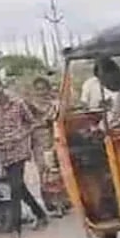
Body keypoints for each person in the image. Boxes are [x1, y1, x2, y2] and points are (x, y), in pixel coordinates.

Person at [0, 73, 49, 238]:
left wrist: (21, 136)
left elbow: (32, 123)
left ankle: (15, 228)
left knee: (14, 188)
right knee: (18, 186)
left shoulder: (18, 103)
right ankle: (40, 214)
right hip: (4, 151)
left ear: (1, 86)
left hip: (20, 149)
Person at [26, 76, 69, 216]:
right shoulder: (29, 106)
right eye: (38, 89)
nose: (41, 92)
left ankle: (62, 203)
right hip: (40, 142)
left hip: (56, 140)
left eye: (43, 88)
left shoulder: (54, 104)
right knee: (45, 172)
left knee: (58, 171)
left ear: (48, 89)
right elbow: (28, 124)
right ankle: (51, 203)